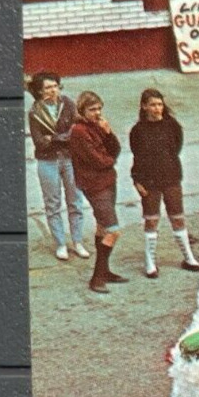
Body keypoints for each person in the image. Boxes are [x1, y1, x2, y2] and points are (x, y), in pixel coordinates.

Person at [128, 89, 199, 278]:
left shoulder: (172, 125)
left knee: (178, 218)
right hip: (149, 182)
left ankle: (189, 258)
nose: (157, 108)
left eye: (159, 104)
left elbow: (176, 148)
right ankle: (150, 262)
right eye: (153, 105)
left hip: (171, 178)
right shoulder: (137, 131)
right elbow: (137, 156)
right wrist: (137, 180)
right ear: (144, 106)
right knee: (151, 220)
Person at [67, 92, 126, 294]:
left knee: (102, 227)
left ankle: (105, 271)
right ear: (82, 110)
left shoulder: (98, 126)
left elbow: (116, 150)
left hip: (108, 181)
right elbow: (98, 160)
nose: (97, 113)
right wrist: (110, 161)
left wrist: (108, 133)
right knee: (113, 230)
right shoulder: (78, 131)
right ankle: (97, 277)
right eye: (92, 109)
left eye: (99, 108)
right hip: (94, 185)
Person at [26, 72, 88, 262]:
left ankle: (77, 242)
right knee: (52, 204)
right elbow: (39, 143)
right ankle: (61, 243)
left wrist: (53, 138)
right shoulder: (35, 112)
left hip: (70, 158)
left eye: (55, 86)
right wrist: (61, 137)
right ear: (39, 91)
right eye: (48, 87)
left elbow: (76, 129)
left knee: (75, 200)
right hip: (48, 161)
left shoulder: (67, 103)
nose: (53, 90)